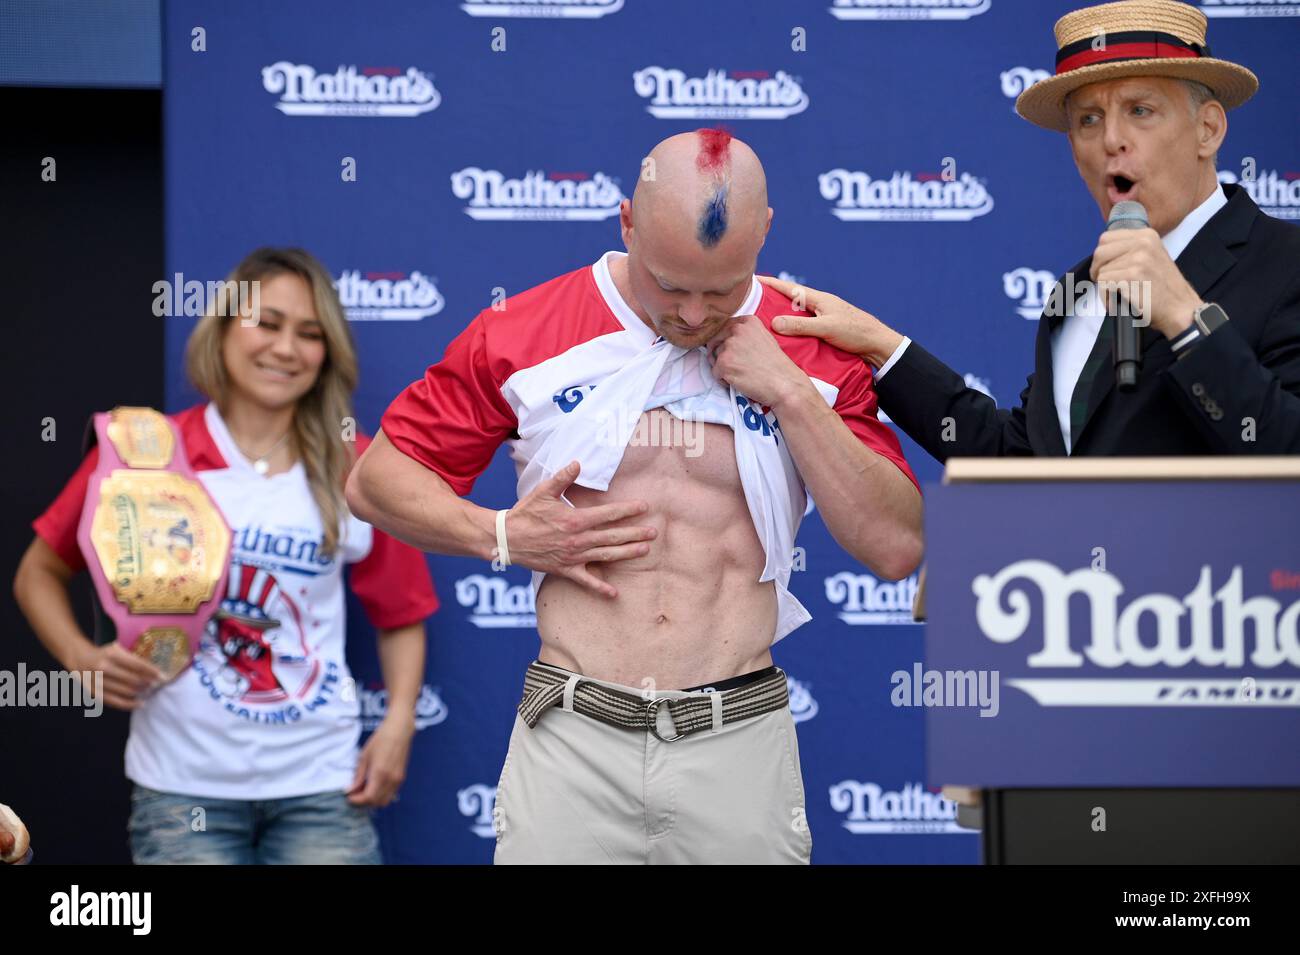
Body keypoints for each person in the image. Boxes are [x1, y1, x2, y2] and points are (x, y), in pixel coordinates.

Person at [347, 128, 923, 865]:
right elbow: (378, 479)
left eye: (719, 291)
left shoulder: (810, 345)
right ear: (626, 224)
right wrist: (500, 534)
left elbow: (896, 545)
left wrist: (788, 391)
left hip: (735, 737)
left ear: (766, 233)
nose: (690, 315)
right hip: (573, 731)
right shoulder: (526, 330)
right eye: (669, 285)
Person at [14, 247, 439, 864]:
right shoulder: (147, 453)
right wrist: (81, 657)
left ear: (328, 353)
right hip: (182, 791)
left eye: (309, 334)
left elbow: (401, 612)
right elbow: (37, 573)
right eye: (267, 323)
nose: (286, 349)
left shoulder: (356, 466)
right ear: (223, 328)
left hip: (321, 786)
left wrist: (398, 721)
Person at [761, 0, 1300, 459]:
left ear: (1208, 129)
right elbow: (1021, 459)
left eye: (1140, 110)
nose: (1112, 138)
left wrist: (1187, 321)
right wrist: (882, 348)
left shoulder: (1285, 262)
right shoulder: (1076, 289)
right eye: (1088, 119)